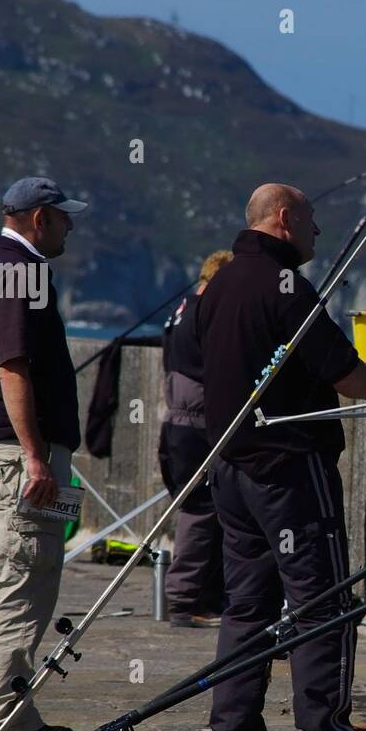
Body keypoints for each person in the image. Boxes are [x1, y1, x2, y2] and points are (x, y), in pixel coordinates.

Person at [197, 183, 366, 731]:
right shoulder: (287, 287)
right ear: (284, 219)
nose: (318, 233)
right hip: (288, 467)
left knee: (247, 603)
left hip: (230, 470)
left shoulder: (219, 285)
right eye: (311, 221)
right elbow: (345, 372)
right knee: (323, 598)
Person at [0, 176, 85, 731]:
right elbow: (13, 367)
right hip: (19, 457)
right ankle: (4, 719)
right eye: (64, 219)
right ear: (40, 219)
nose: (70, 228)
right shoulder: (22, 273)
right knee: (19, 585)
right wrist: (37, 456)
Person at [157, 249, 233, 629]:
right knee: (200, 510)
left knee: (201, 509)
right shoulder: (208, 311)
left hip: (174, 423)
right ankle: (184, 601)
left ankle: (203, 598)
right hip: (197, 425)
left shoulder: (181, 310)